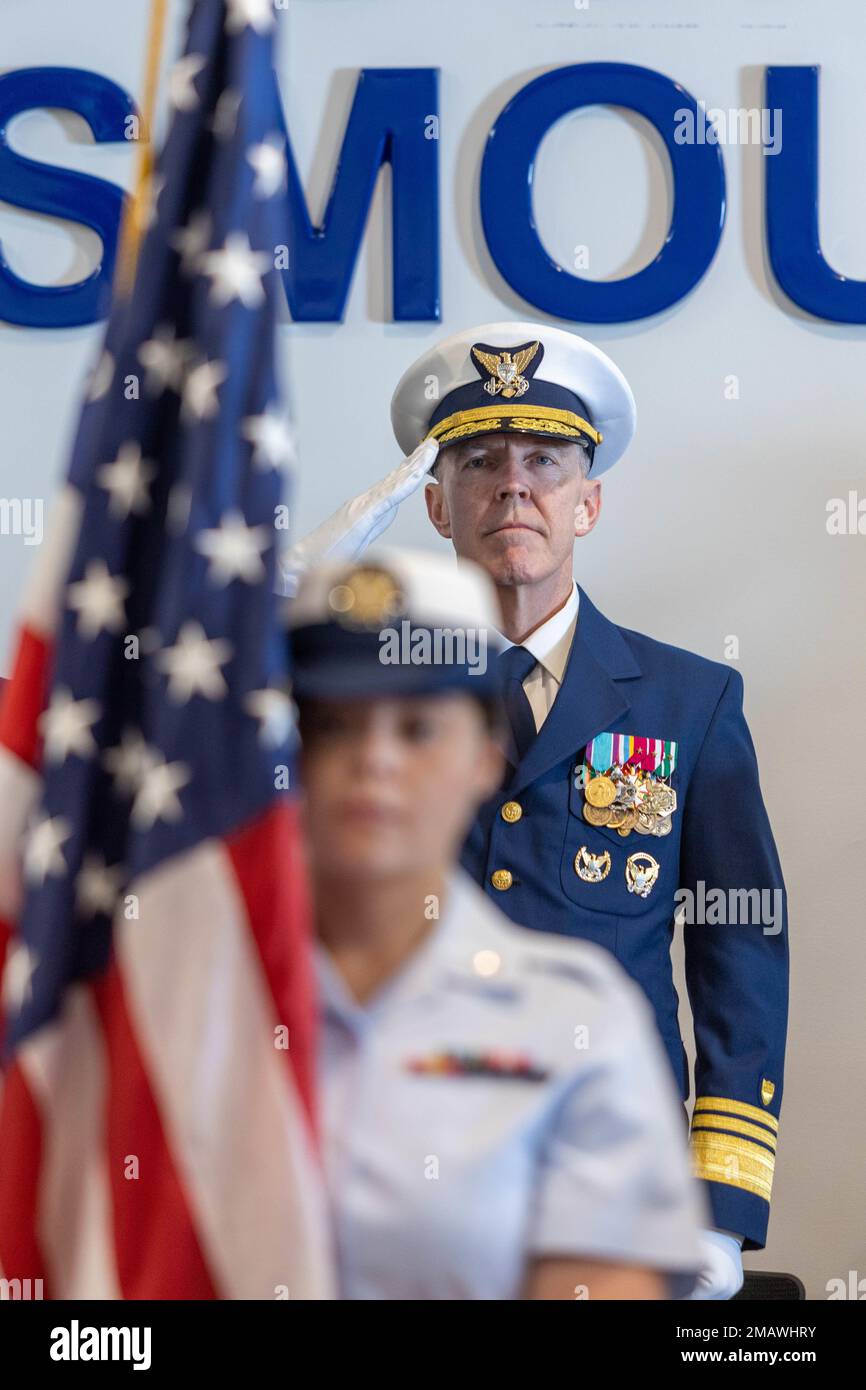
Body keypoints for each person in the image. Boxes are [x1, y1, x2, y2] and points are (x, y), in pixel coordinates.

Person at [282, 322, 789, 1300]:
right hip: (393, 1158)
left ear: (586, 503)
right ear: (435, 504)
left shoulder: (689, 702)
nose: (512, 485)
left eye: (544, 462)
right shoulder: (365, 709)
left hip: (610, 1164)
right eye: (478, 462)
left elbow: (740, 956)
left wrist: (719, 1201)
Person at [288, 545, 707, 1300]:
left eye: (417, 729)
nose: (374, 760)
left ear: (486, 760)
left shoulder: (577, 1026)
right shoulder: (186, 1002)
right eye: (332, 727)